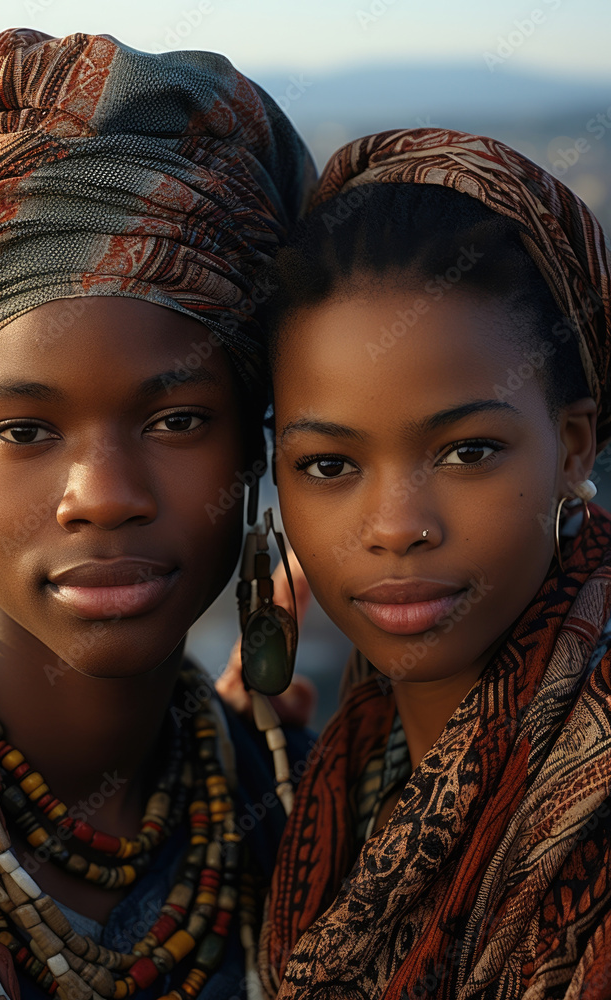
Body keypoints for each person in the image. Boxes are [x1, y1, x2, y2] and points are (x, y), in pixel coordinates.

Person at [0, 28, 316, 1000]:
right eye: (27, 430)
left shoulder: (299, 800)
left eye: (176, 420)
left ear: (254, 444)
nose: (105, 494)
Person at [258, 128, 611, 999]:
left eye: (467, 452)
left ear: (572, 445)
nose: (396, 528)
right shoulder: (347, 761)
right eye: (328, 465)